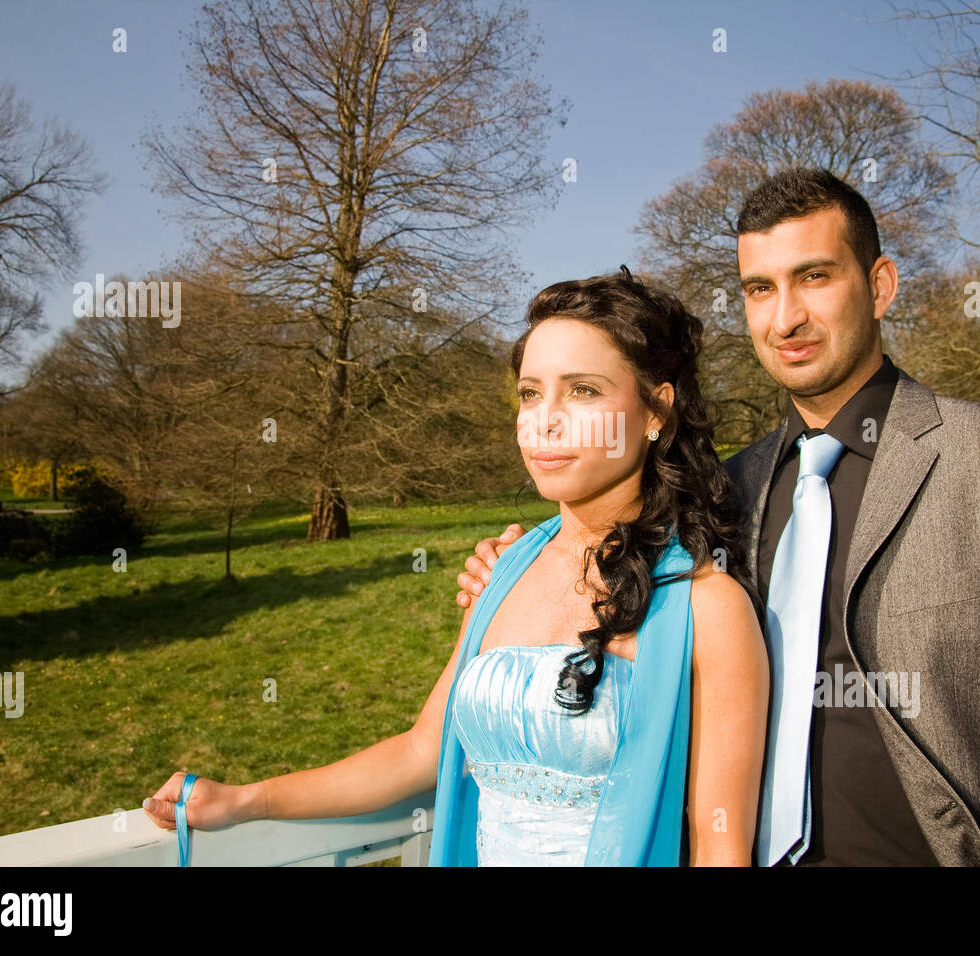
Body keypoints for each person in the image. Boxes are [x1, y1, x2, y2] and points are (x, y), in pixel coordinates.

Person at [456, 167, 980, 866]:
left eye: (815, 277)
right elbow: (610, 567)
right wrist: (510, 567)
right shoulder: (728, 488)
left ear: (880, 285)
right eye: (760, 289)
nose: (785, 316)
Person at [141, 268, 769, 866]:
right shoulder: (503, 570)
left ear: (656, 412)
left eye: (582, 391)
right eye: (530, 393)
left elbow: (720, 848)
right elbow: (420, 752)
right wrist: (247, 799)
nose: (544, 419)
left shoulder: (705, 605)